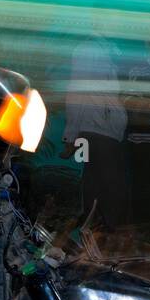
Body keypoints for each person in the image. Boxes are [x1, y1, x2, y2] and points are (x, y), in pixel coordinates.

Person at [60, 32, 130, 234]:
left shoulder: (108, 49)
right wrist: (71, 136)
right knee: (105, 190)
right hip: (96, 131)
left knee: (99, 187)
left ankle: (96, 242)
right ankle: (98, 242)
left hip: (102, 132)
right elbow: (76, 90)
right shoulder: (87, 50)